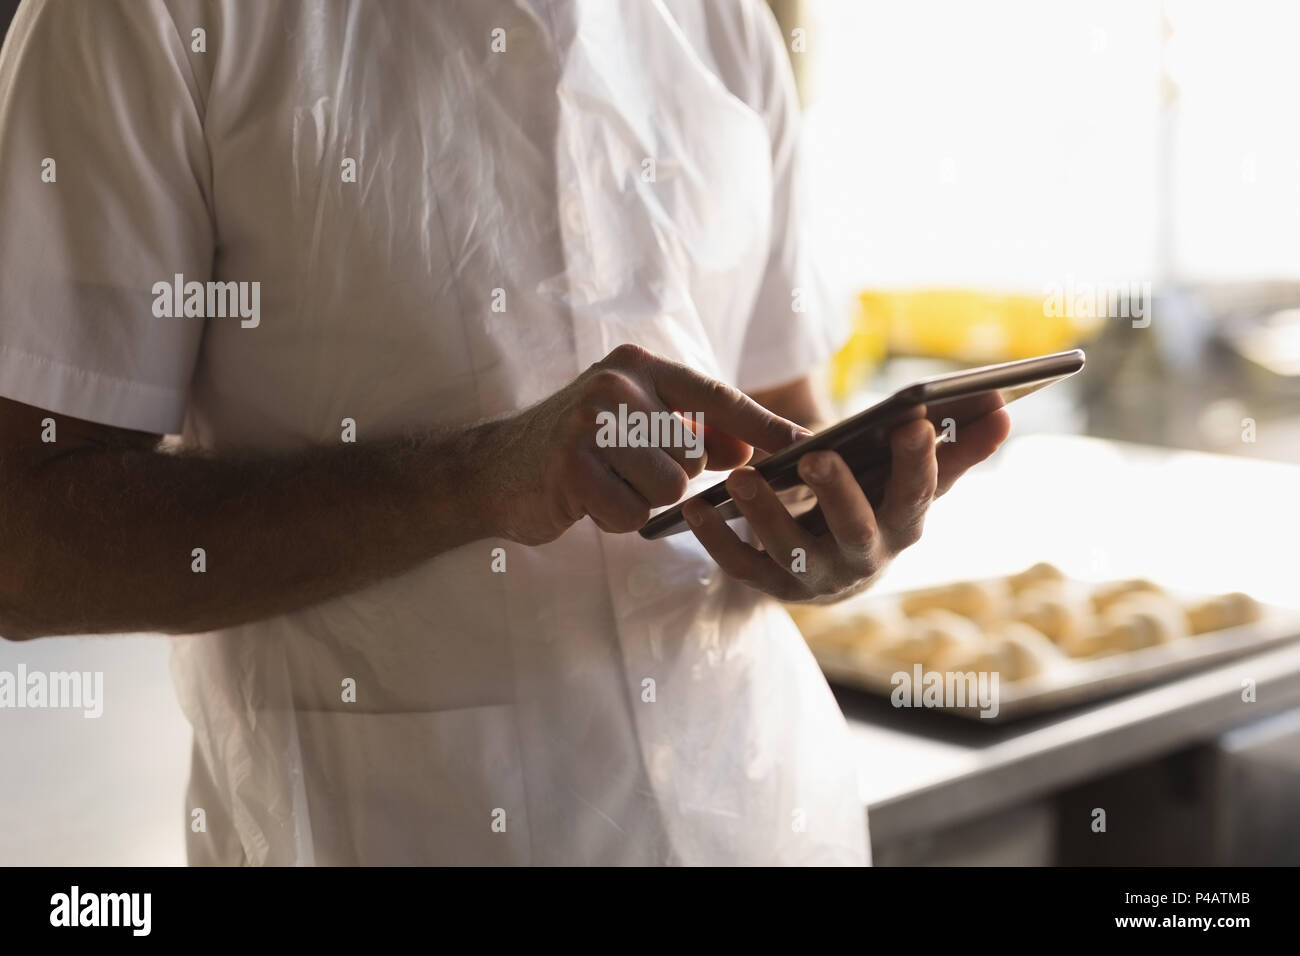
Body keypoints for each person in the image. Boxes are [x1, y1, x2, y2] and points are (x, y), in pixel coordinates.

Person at [0, 0, 1007, 865]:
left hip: (760, 821)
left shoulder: (725, 20)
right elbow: (23, 540)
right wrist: (478, 479)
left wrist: (832, 536)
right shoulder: (143, 19)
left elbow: (781, 410)